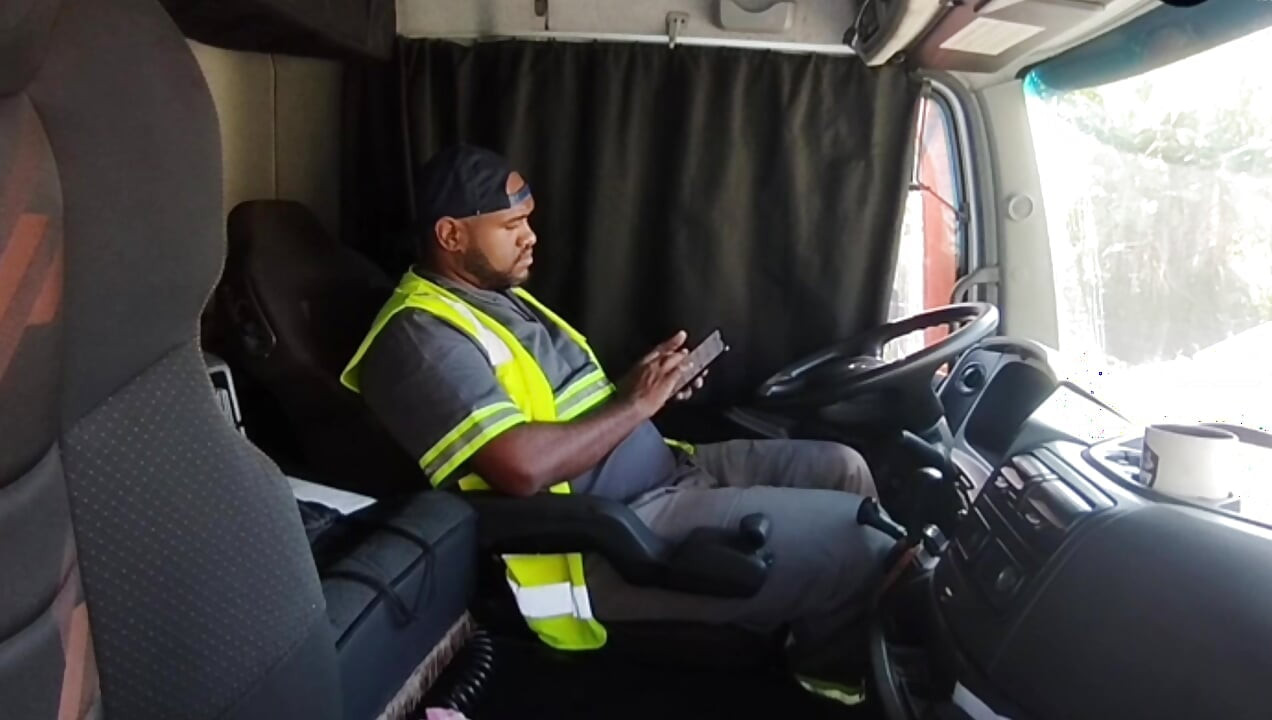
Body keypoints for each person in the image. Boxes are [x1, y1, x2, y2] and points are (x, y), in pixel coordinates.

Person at [341, 144, 893, 688]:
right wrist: (636, 405)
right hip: (610, 540)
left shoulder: (494, 296)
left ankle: (814, 629)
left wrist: (644, 386)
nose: (531, 236)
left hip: (670, 470)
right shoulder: (417, 338)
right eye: (511, 226)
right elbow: (520, 469)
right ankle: (831, 684)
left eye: (527, 221)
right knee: (864, 549)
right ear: (450, 235)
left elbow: (569, 407)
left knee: (844, 468)